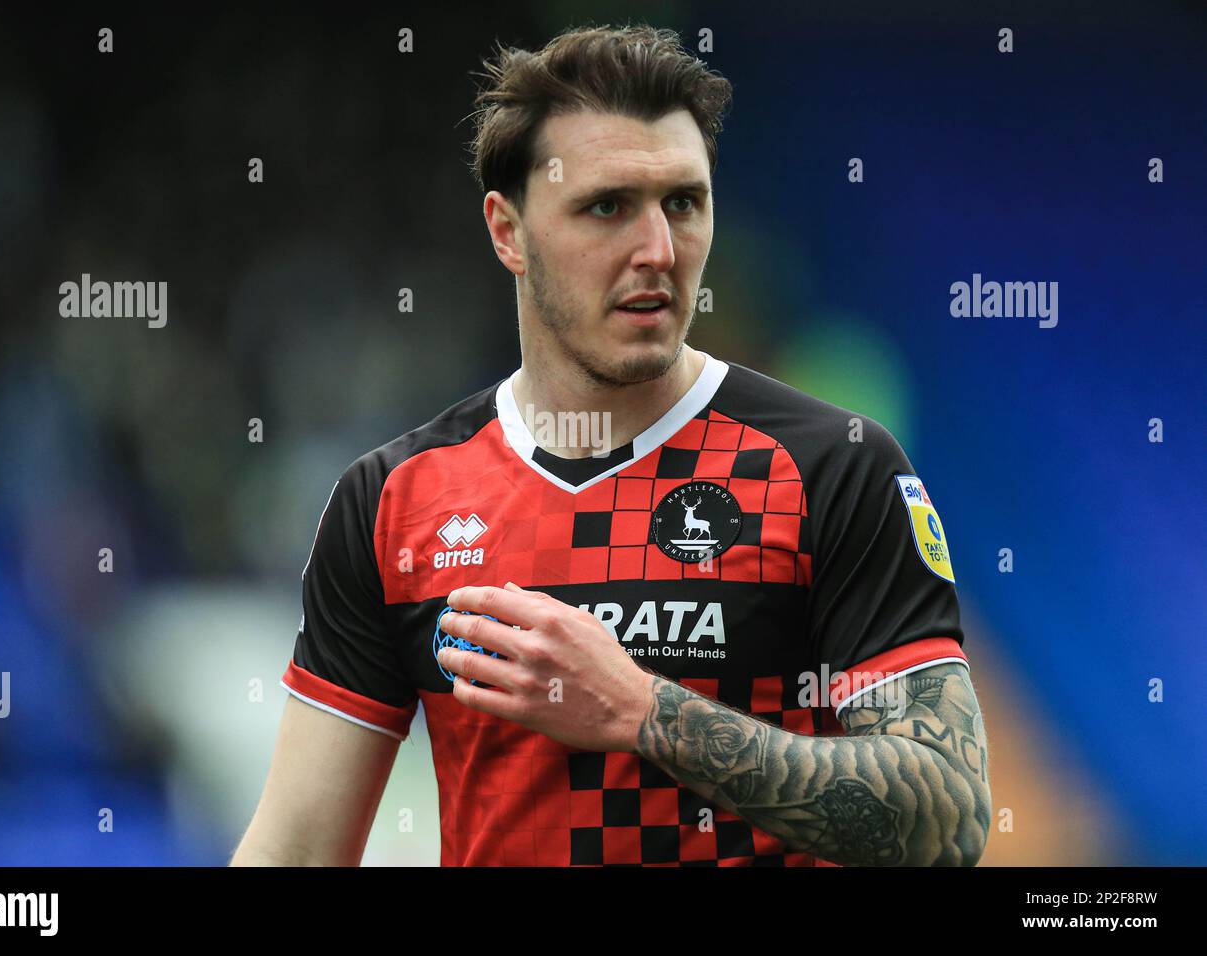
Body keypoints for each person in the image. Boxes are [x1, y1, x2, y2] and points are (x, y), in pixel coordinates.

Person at [232, 23, 990, 867]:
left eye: (684, 203)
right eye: (607, 207)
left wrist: (641, 710)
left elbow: (948, 823)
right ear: (508, 231)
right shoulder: (396, 501)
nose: (658, 252)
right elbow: (296, 850)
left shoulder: (832, 467)